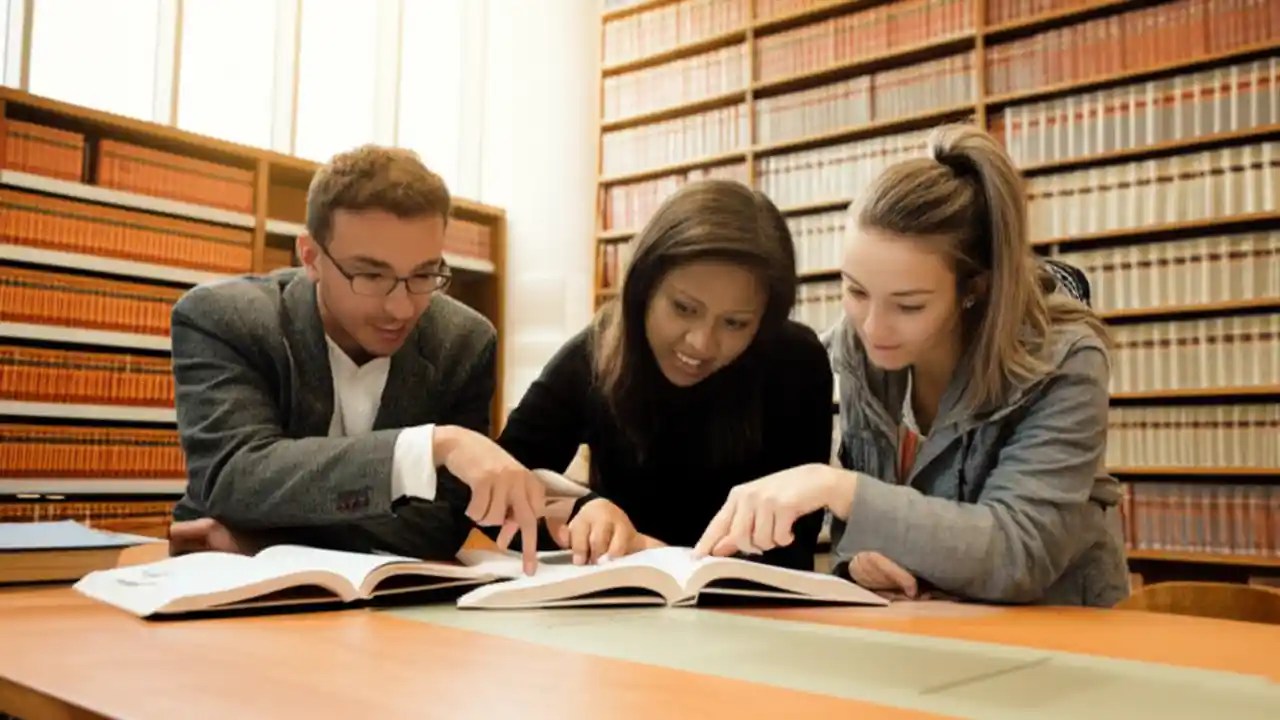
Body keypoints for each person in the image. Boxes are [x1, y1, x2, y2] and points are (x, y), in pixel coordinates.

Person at [694, 125, 1131, 606]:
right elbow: (861, 530)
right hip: (922, 628)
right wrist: (860, 562)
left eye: (909, 305)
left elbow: (1018, 551)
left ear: (975, 289)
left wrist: (837, 487)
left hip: (1061, 633)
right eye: (856, 291)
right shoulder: (855, 347)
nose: (872, 327)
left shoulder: (1066, 360)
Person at [165, 144, 544, 573]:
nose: (401, 308)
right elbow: (232, 478)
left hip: (393, 607)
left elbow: (442, 525)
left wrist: (260, 535)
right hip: (229, 592)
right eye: (370, 275)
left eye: (423, 275)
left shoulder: (464, 341)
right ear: (310, 257)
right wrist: (431, 446)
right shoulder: (222, 318)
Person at [496, 179, 834, 570]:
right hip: (618, 608)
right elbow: (491, 492)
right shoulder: (593, 355)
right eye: (684, 308)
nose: (701, 344)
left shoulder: (795, 363)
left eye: (735, 324)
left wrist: (660, 552)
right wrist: (578, 512)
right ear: (644, 287)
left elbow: (794, 545)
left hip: (749, 609)